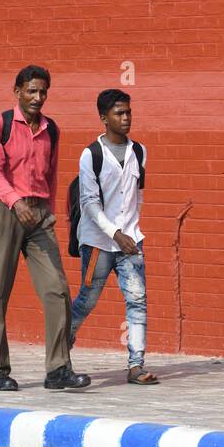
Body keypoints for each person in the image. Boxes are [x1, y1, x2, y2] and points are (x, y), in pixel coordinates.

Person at [0, 65, 90, 391]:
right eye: (31, 91)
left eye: (42, 92)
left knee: (57, 289)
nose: (37, 97)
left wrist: (51, 212)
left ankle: (58, 369)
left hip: (39, 215)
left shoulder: (50, 129)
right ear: (17, 92)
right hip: (4, 211)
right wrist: (16, 203)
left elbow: (51, 175)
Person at [69, 89, 158, 384]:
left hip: (131, 239)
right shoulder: (91, 155)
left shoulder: (139, 152)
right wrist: (115, 233)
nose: (126, 118)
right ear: (103, 118)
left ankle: (136, 365)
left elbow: (138, 195)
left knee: (138, 300)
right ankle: (60, 349)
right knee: (87, 300)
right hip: (98, 242)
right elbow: (89, 203)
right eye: (119, 113)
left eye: (128, 112)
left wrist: (129, 231)